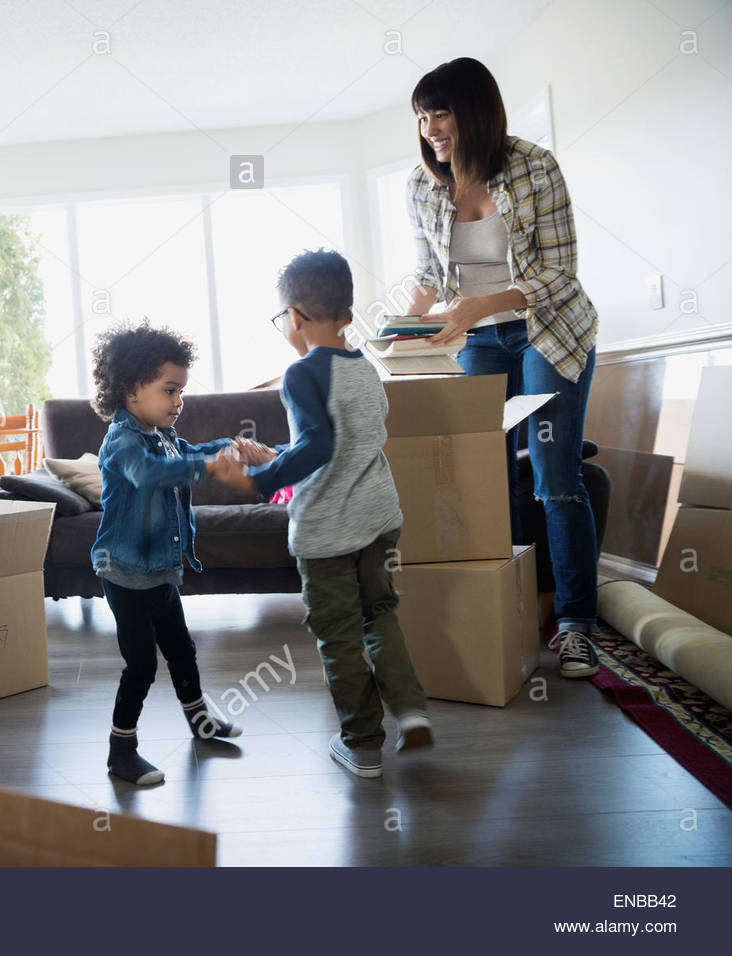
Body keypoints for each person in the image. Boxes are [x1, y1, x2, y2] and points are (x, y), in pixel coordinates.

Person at [404, 57, 600, 678]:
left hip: (548, 331)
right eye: (422, 116)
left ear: (475, 111)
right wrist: (400, 324)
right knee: (486, 476)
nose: (432, 127)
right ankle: (512, 611)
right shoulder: (420, 183)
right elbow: (430, 276)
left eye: (442, 112)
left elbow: (558, 272)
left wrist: (485, 303)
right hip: (479, 342)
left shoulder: (534, 166)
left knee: (553, 477)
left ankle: (574, 627)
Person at [215, 250, 432, 780]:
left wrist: (257, 479)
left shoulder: (301, 374)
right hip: (380, 518)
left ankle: (361, 743)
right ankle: (412, 710)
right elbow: (344, 442)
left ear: (294, 317)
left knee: (338, 634)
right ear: (348, 314)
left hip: (329, 532)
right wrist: (279, 455)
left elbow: (319, 445)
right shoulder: (366, 369)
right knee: (380, 613)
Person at [89, 322, 247, 786]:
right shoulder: (123, 442)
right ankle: (121, 751)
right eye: (170, 390)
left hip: (159, 571)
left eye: (182, 391)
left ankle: (201, 722)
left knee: (181, 649)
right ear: (131, 389)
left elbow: (190, 452)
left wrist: (232, 448)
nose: (180, 402)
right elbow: (153, 474)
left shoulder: (162, 434)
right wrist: (209, 467)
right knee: (140, 665)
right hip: (124, 572)